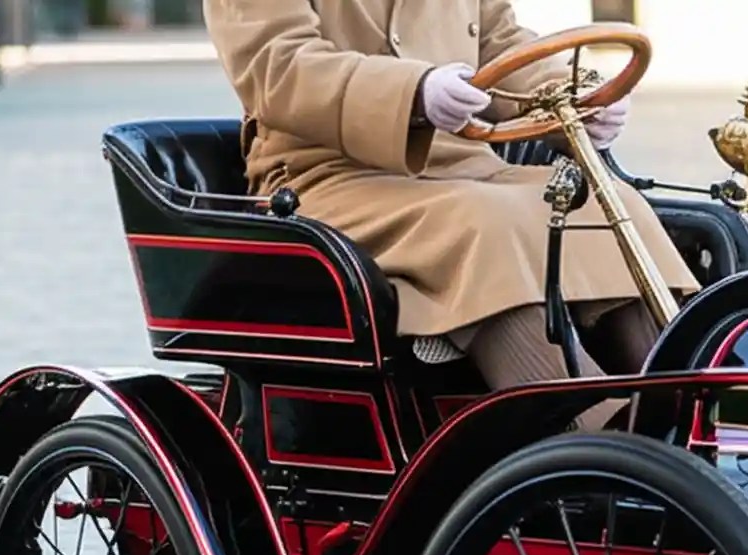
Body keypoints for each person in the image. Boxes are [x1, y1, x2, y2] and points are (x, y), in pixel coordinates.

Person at [203, 0, 700, 429]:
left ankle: (684, 407)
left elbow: (500, 40)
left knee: (608, 203)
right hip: (326, 176)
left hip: (463, 165)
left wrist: (576, 92)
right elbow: (276, 65)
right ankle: (589, 434)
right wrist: (412, 92)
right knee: (484, 224)